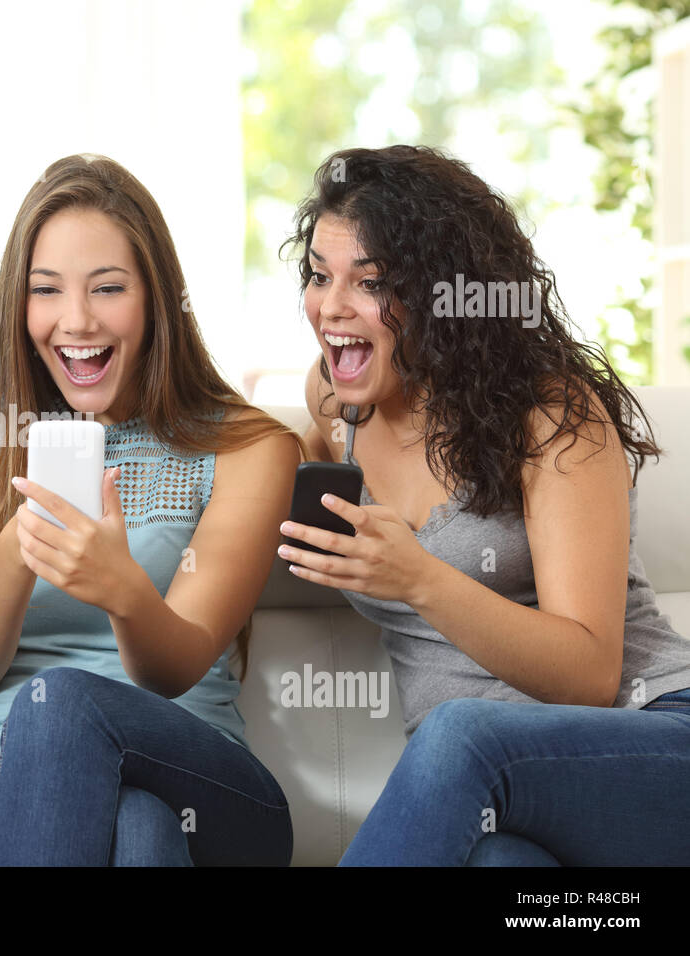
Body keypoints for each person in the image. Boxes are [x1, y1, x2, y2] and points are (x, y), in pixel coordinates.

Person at [281, 145, 690, 866]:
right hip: (494, 808)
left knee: (460, 734)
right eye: (319, 276)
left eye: (368, 282)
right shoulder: (339, 399)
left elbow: (591, 676)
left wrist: (418, 578)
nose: (331, 308)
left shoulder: (549, 415)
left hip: (649, 742)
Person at [0, 153, 302, 866]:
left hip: (203, 779)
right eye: (46, 290)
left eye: (109, 288)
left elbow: (173, 670)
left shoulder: (250, 445)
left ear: (156, 297)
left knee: (65, 704)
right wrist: (20, 543)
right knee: (141, 829)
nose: (76, 321)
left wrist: (124, 590)